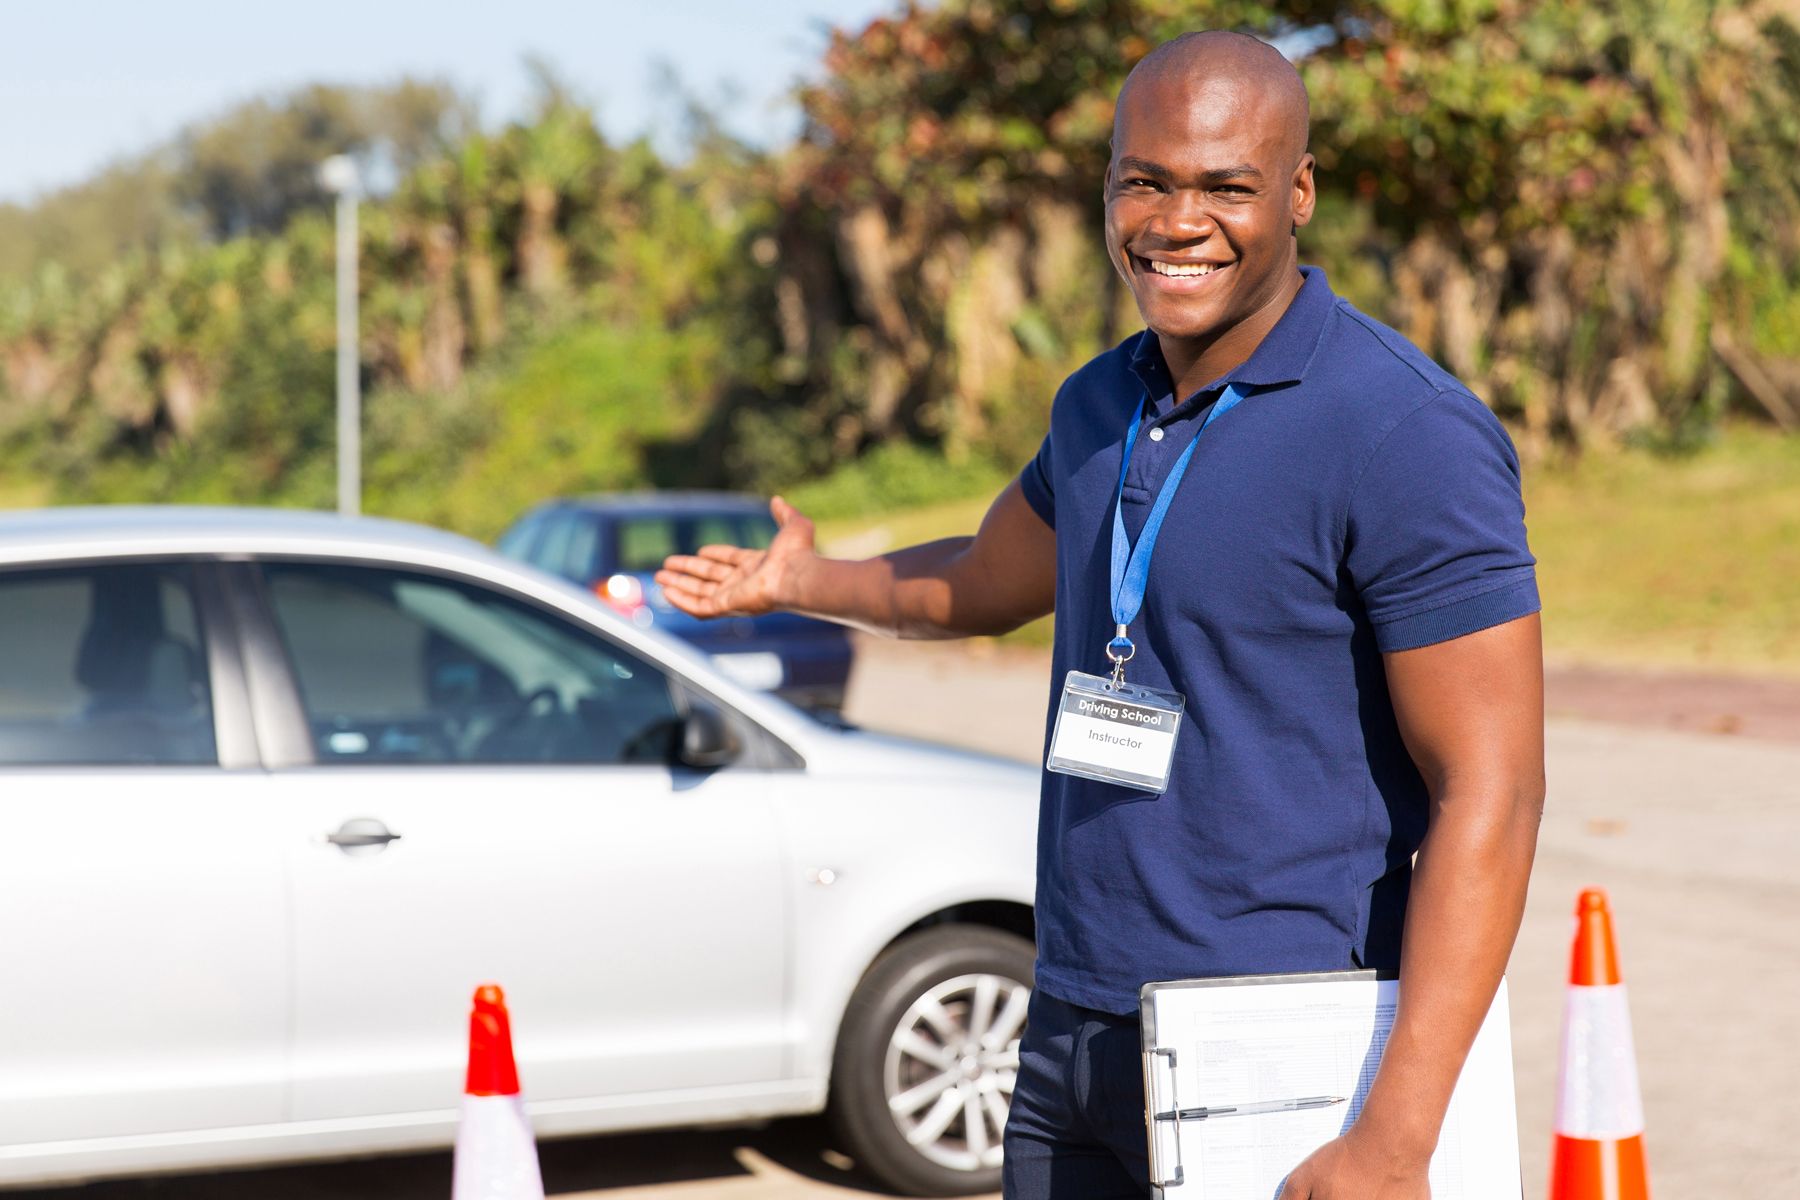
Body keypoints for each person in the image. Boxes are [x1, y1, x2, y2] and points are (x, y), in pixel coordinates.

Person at [656, 29, 1544, 1200]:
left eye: (1229, 185)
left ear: (1300, 192)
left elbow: (1493, 787)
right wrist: (799, 581)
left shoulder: (1402, 431)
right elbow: (976, 581)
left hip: (1280, 1043)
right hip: (1073, 1024)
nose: (1179, 222)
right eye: (1146, 180)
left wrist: (1397, 1133)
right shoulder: (1099, 404)